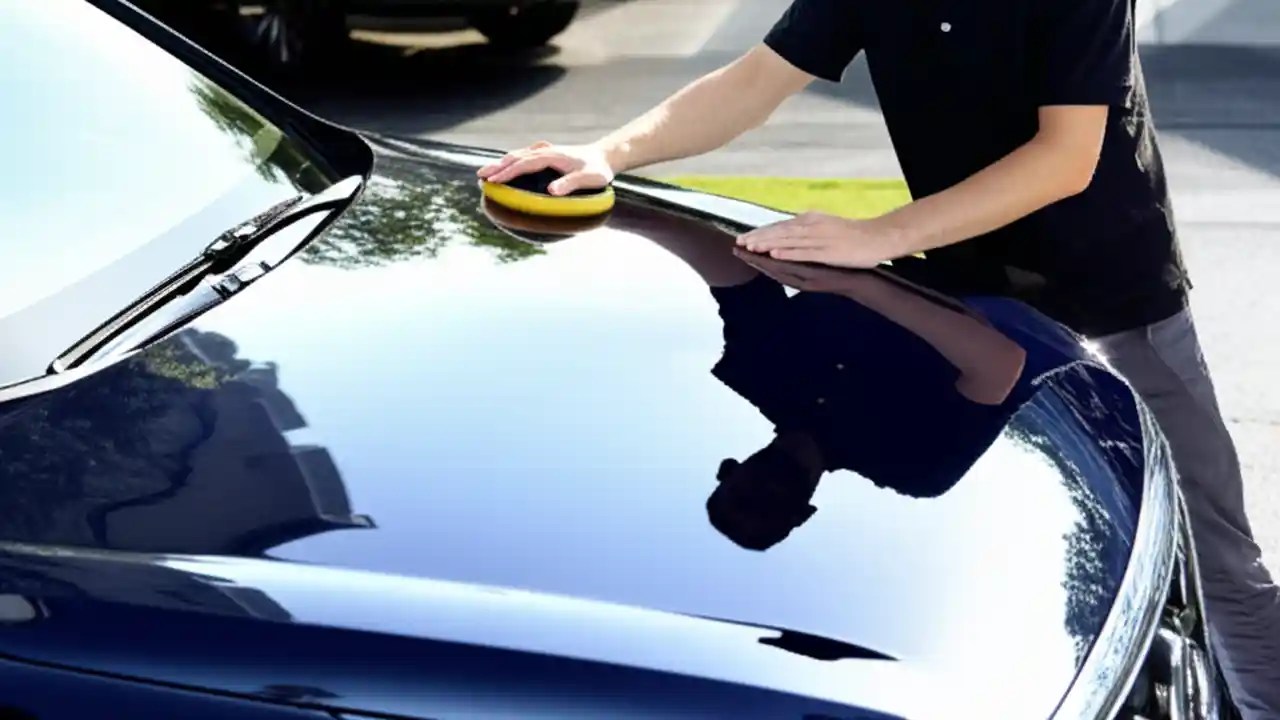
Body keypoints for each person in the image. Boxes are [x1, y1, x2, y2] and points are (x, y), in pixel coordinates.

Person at [477, 1, 1280, 715]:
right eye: (765, 507)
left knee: (1219, 559)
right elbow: (754, 83)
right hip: (964, 287)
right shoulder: (879, 456)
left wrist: (880, 240)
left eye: (746, 498)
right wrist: (608, 155)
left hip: (1116, 299)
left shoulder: (766, 374)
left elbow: (1066, 156)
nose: (761, 488)